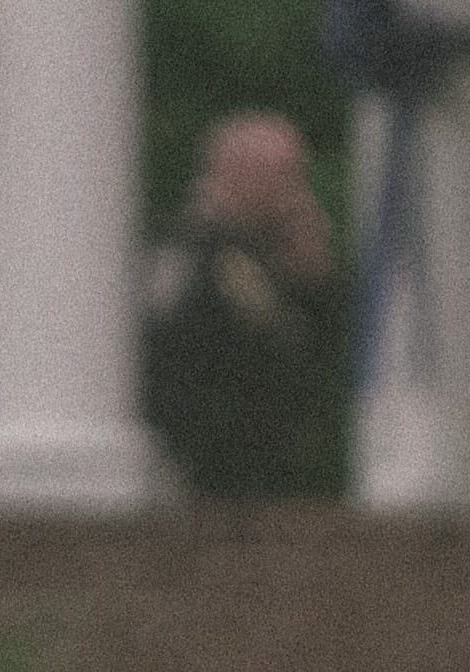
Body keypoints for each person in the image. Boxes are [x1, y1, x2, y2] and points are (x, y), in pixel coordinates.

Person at [143, 109, 351, 503]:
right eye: (282, 174)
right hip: (205, 476)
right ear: (237, 173)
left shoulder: (268, 255)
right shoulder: (187, 249)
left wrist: (314, 284)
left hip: (265, 473)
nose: (296, 191)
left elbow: (314, 361)